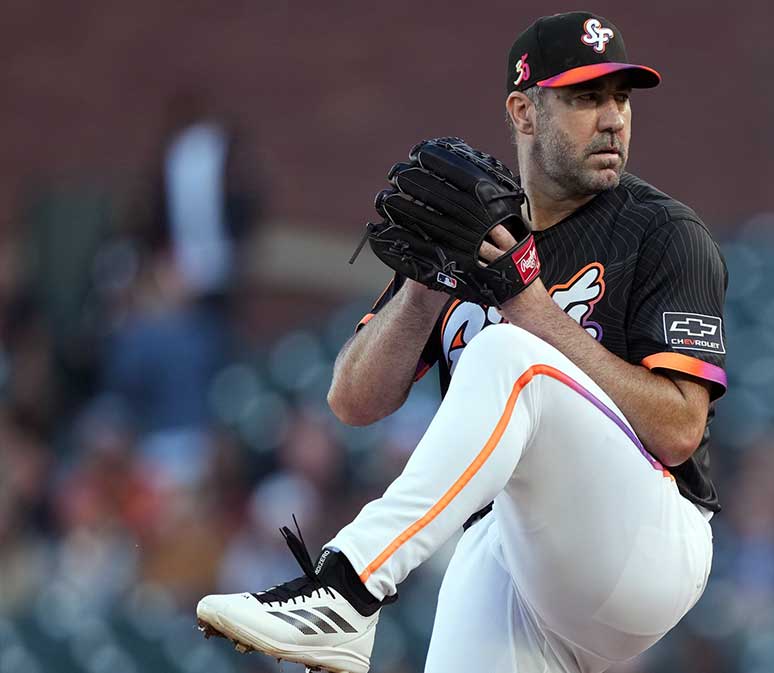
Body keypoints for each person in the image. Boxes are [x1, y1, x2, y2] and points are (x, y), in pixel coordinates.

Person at [196, 11, 728, 673]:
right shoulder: (476, 229)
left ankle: (346, 586)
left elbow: (680, 428)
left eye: (621, 97)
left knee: (508, 353)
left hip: (650, 543)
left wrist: (529, 310)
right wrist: (426, 285)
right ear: (524, 112)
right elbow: (353, 400)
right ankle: (343, 607)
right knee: (482, 534)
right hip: (522, 556)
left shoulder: (664, 232)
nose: (614, 117)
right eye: (586, 97)